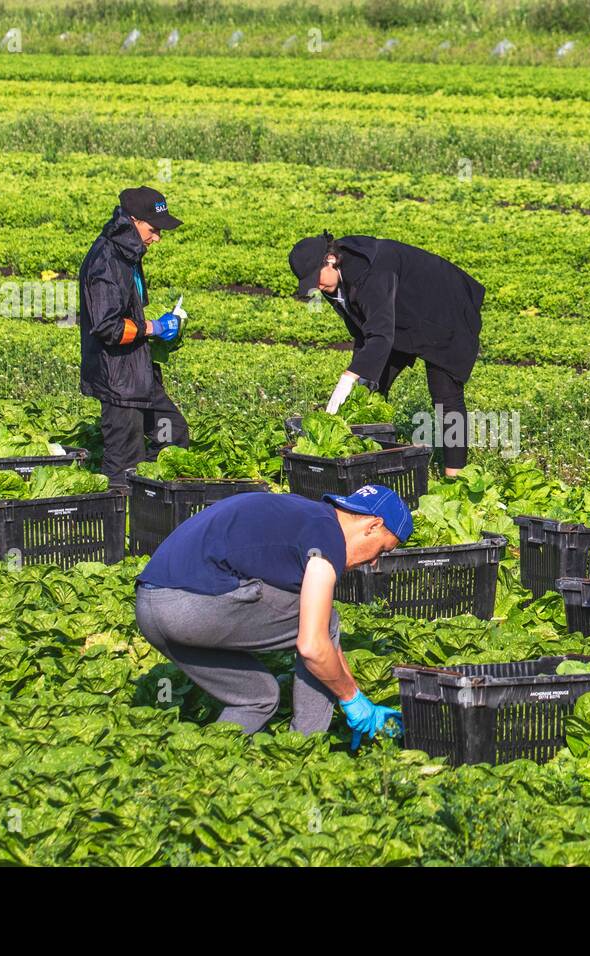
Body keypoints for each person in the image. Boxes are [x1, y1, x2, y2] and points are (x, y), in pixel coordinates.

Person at [134, 484, 410, 747]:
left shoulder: (303, 515)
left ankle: (202, 765)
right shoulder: (327, 536)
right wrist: (351, 700)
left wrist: (357, 696)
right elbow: (314, 645)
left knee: (256, 697)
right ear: (373, 525)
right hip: (188, 606)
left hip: (149, 608)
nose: (374, 563)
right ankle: (303, 749)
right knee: (323, 622)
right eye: (382, 550)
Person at [288, 232, 486, 476]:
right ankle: (365, 463)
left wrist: (348, 376)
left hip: (445, 309)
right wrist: (359, 377)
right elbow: (364, 329)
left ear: (330, 259)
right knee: (369, 391)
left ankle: (456, 479)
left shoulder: (370, 272)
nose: (316, 287)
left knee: (446, 396)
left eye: (315, 278)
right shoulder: (333, 279)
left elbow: (380, 335)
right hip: (402, 313)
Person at [79, 186, 190, 488]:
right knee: (125, 463)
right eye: (154, 230)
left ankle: (157, 501)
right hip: (120, 385)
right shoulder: (107, 261)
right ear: (133, 221)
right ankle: (123, 522)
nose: (158, 237)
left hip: (140, 377)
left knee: (172, 434)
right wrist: (153, 328)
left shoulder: (128, 254)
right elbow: (107, 327)